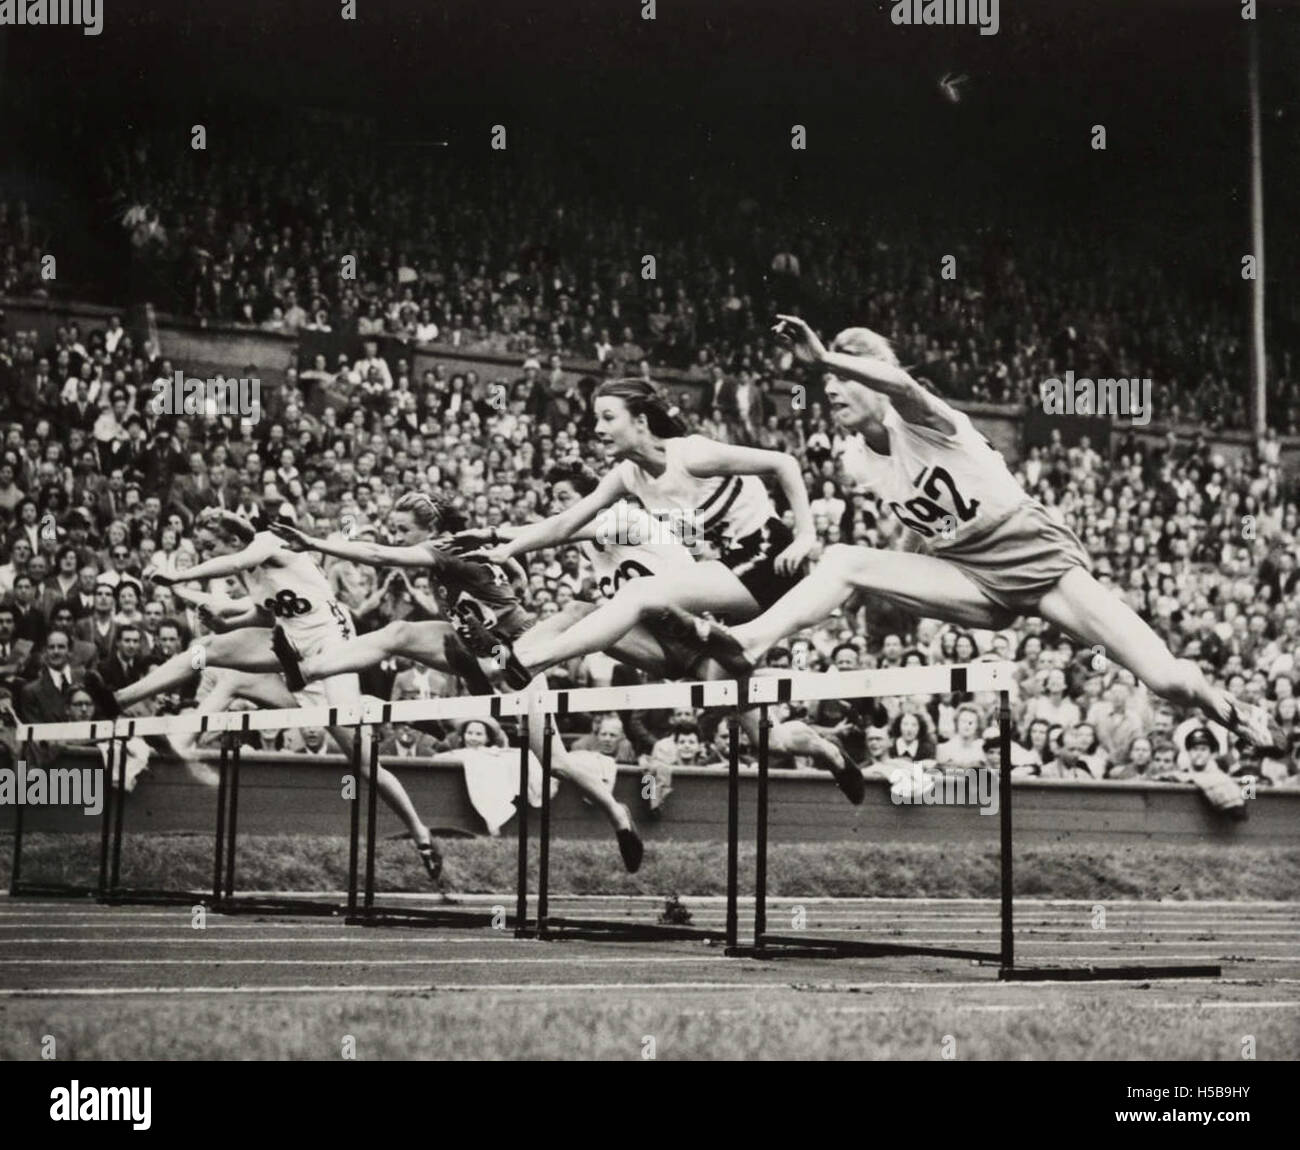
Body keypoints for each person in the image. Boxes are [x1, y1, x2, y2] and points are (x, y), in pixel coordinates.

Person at [664, 314, 1278, 750]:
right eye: (824, 391)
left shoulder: (930, 421)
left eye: (840, 385)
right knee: (846, 559)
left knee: (1168, 680)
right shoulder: (854, 460)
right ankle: (749, 641)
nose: (830, 396)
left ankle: (1229, 707)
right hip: (968, 577)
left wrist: (826, 355)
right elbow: (924, 525)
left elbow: (903, 387)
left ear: (869, 376)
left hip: (1035, 559)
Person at [268, 491, 646, 871]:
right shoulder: (459, 549)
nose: (396, 538)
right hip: (467, 646)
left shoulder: (444, 548)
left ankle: (617, 813)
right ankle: (308, 671)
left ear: (431, 529)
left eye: (402, 531)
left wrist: (313, 542)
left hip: (516, 655)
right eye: (393, 530)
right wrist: (511, 576)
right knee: (397, 633)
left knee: (553, 760)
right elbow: (513, 572)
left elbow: (380, 556)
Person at [79, 508, 445, 883]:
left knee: (364, 766)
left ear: (235, 540)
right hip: (290, 652)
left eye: (210, 547)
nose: (207, 554)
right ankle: (124, 704)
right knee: (212, 655)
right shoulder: (251, 574)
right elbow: (258, 614)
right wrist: (193, 600)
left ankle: (420, 830)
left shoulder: (268, 542)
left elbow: (235, 562)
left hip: (331, 655)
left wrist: (181, 574)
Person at [463, 378, 815, 690]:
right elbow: (565, 524)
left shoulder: (692, 454)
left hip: (772, 559)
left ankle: (530, 661)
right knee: (725, 695)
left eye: (608, 417)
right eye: (596, 418)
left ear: (641, 421)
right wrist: (506, 549)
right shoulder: (626, 475)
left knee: (638, 593)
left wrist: (805, 536)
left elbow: (784, 463)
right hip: (732, 567)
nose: (597, 428)